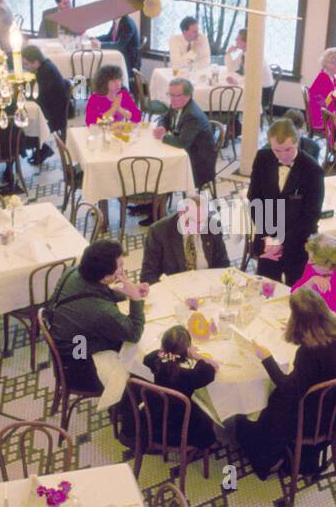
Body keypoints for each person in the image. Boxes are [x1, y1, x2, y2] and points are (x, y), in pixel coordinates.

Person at [228, 288, 336, 479]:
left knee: (270, 406)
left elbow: (288, 389)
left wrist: (267, 358)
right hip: (334, 410)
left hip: (309, 419)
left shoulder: (308, 353)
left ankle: (267, 455)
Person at [45, 239, 147, 394]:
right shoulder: (101, 311)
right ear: (106, 277)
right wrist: (136, 299)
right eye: (120, 266)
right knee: (141, 362)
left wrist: (128, 291)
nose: (123, 267)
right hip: (78, 367)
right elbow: (134, 333)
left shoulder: (73, 272)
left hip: (67, 345)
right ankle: (127, 405)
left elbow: (97, 291)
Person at [248, 119, 325, 285]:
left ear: (297, 142)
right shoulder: (263, 158)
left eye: (288, 149)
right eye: (277, 150)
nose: (283, 156)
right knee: (265, 287)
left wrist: (281, 242)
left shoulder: (312, 170)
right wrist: (268, 237)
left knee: (296, 290)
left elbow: (311, 217)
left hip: (297, 245)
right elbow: (254, 198)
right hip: (267, 239)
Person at [120, 326, 219, 451]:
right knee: (207, 421)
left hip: (152, 420)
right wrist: (196, 356)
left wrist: (172, 353)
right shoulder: (190, 376)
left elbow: (152, 357)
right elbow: (210, 369)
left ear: (163, 346)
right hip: (178, 429)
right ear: (186, 351)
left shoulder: (154, 359)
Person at [139, 193, 230, 284]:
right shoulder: (158, 232)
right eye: (193, 221)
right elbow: (148, 276)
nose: (199, 227)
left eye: (202, 221)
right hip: (174, 290)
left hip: (208, 286)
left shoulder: (212, 226)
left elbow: (224, 264)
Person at [152, 77, 218, 190]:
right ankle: (155, 203)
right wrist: (162, 126)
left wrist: (163, 136)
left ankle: (156, 204)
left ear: (188, 95)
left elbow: (181, 143)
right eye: (170, 94)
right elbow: (164, 118)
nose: (172, 99)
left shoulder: (192, 115)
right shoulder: (177, 104)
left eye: (176, 95)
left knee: (160, 170)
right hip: (187, 152)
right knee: (157, 166)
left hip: (198, 165)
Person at [21, 44, 69, 155]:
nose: (25, 67)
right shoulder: (44, 65)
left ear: (36, 62)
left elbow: (40, 96)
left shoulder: (46, 72)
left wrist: (25, 95)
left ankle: (43, 148)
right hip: (50, 105)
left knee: (24, 120)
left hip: (54, 114)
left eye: (26, 64)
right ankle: (40, 148)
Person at [226, 27, 274, 113]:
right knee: (233, 95)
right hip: (257, 87)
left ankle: (234, 122)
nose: (235, 41)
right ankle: (234, 123)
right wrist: (228, 53)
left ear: (245, 42)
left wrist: (236, 81)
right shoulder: (245, 52)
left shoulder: (253, 55)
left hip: (263, 93)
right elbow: (232, 68)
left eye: (237, 39)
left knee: (232, 96)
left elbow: (250, 79)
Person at [307, 47, 336, 134]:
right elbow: (330, 101)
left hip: (325, 113)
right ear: (331, 64)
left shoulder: (331, 77)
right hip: (320, 118)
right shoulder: (323, 78)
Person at [95, 14, 141, 78]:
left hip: (129, 61)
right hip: (122, 56)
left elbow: (120, 45)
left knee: (102, 67)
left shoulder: (127, 23)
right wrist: (95, 39)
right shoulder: (117, 21)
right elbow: (109, 37)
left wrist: (100, 45)